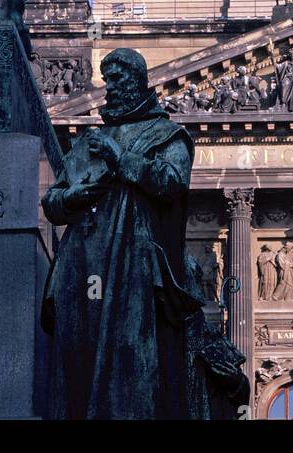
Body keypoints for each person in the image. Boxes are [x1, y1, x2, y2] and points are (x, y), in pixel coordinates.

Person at [40, 48, 200, 419]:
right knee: (79, 360)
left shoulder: (167, 135)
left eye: (117, 78)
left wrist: (120, 158)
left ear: (138, 80)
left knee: (129, 362)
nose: (108, 86)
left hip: (132, 265)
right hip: (82, 265)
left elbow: (172, 182)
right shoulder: (87, 141)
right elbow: (52, 201)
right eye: (106, 78)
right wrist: (72, 197)